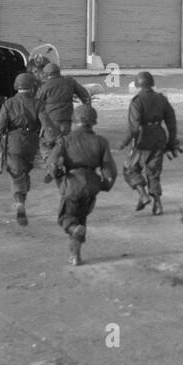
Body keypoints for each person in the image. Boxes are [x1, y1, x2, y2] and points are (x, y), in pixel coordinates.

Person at [50, 104, 117, 266]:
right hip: (91, 186)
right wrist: (105, 184)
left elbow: (53, 163)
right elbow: (110, 169)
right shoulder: (101, 141)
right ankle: (75, 255)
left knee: (66, 218)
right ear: (93, 122)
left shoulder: (65, 140)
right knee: (80, 220)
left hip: (72, 184)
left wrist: (57, 176)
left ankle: (74, 234)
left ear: (74, 120)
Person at [121, 71, 179, 216]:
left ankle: (143, 195)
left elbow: (134, 127)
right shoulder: (161, 99)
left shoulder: (137, 101)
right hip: (159, 138)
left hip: (142, 140)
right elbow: (171, 122)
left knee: (130, 169)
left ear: (137, 84)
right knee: (153, 172)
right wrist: (171, 141)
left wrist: (124, 142)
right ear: (151, 83)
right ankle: (158, 204)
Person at [0, 72, 42, 226]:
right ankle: (22, 198)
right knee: (25, 171)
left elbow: (0, 127)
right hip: (32, 144)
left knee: (16, 173)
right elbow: (46, 124)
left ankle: (19, 201)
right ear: (32, 87)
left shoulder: (8, 104)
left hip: (13, 144)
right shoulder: (38, 103)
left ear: (17, 86)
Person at [37, 62, 93, 176]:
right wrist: (87, 109)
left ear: (46, 74)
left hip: (50, 121)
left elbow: (37, 103)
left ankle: (51, 166)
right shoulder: (70, 82)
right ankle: (65, 165)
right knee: (64, 143)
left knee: (47, 144)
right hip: (67, 119)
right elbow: (85, 95)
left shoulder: (44, 86)